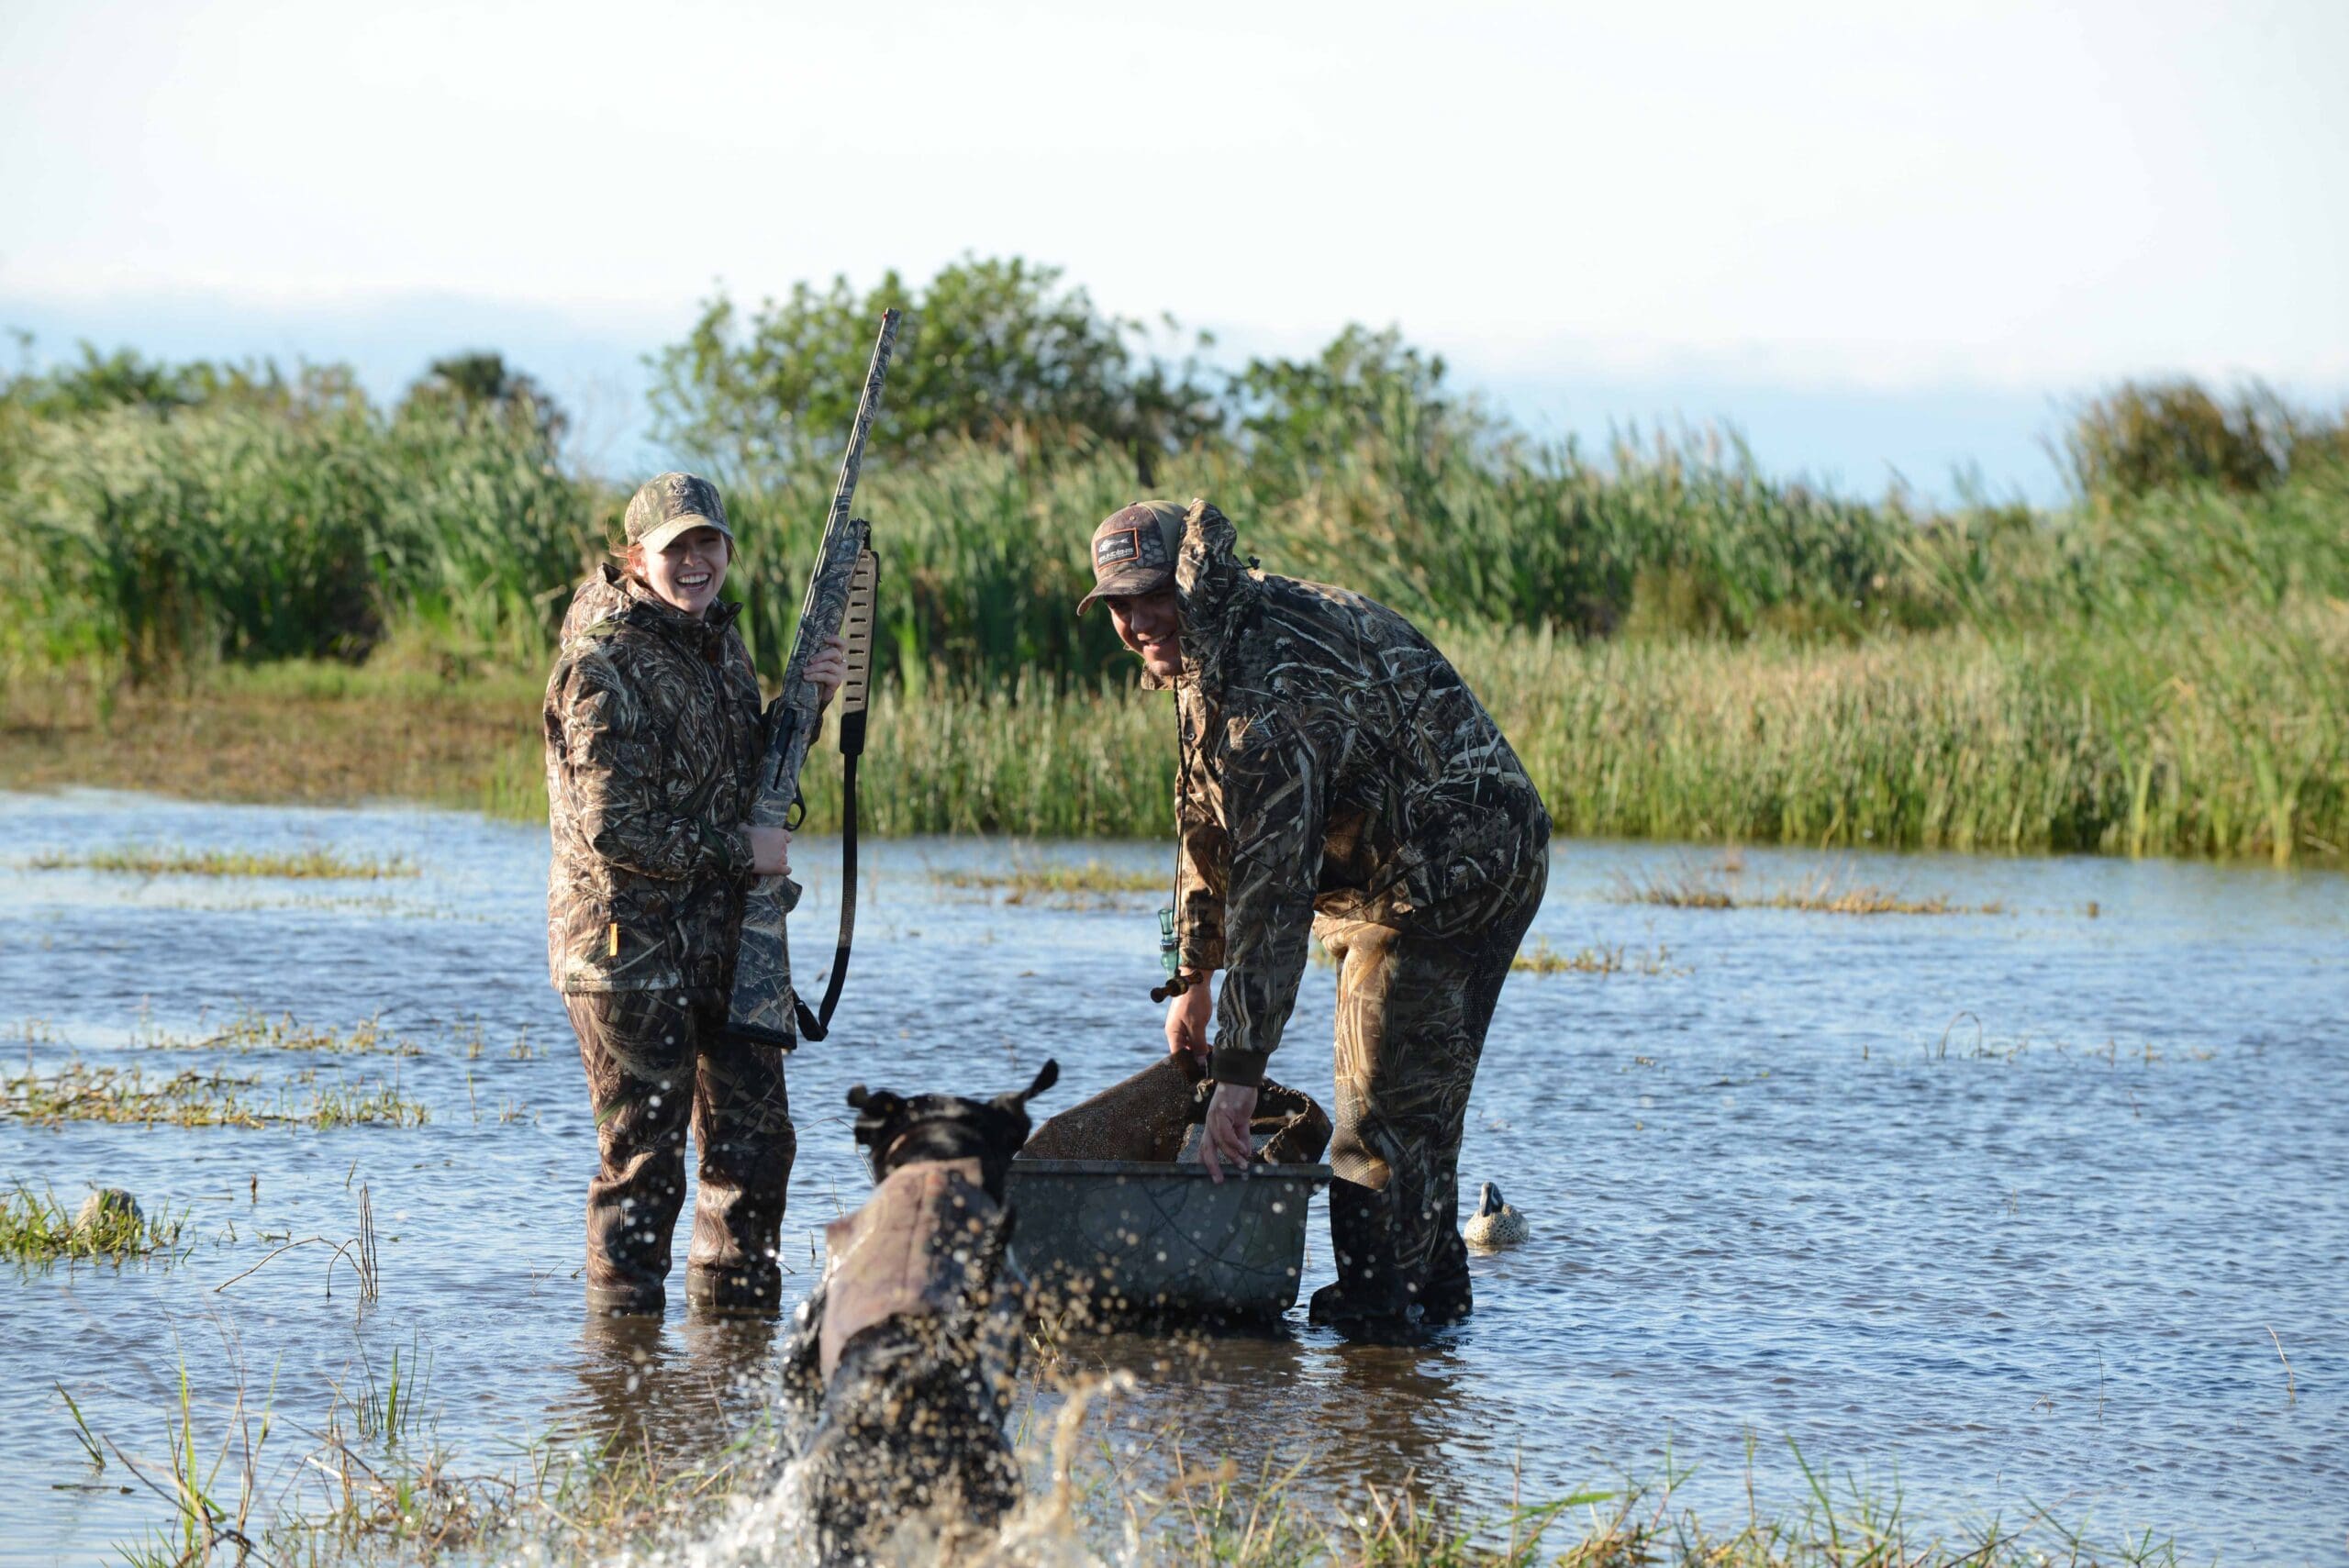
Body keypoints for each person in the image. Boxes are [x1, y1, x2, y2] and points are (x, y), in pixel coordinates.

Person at [1080, 498, 1550, 1334]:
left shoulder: (1269, 687)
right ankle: (1431, 1320)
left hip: (1456, 865)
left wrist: (1237, 1074)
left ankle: (1380, 1319)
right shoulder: (1206, 654)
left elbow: (1274, 891)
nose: (1140, 621)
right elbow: (1204, 827)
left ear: (1189, 583)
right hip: (1387, 869)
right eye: (1119, 603)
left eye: (1153, 594)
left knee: (1378, 1114)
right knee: (1407, 1112)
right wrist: (1192, 975)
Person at [545, 472, 845, 1315]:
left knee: (755, 1148)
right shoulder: (601, 662)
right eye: (678, 547)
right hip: (626, 951)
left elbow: (744, 779)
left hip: (724, 940)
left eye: (709, 543)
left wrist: (806, 709)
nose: (696, 561)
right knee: (644, 1164)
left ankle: (731, 1377)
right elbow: (616, 827)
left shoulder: (718, 643)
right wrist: (738, 849)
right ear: (636, 557)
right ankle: (624, 1384)